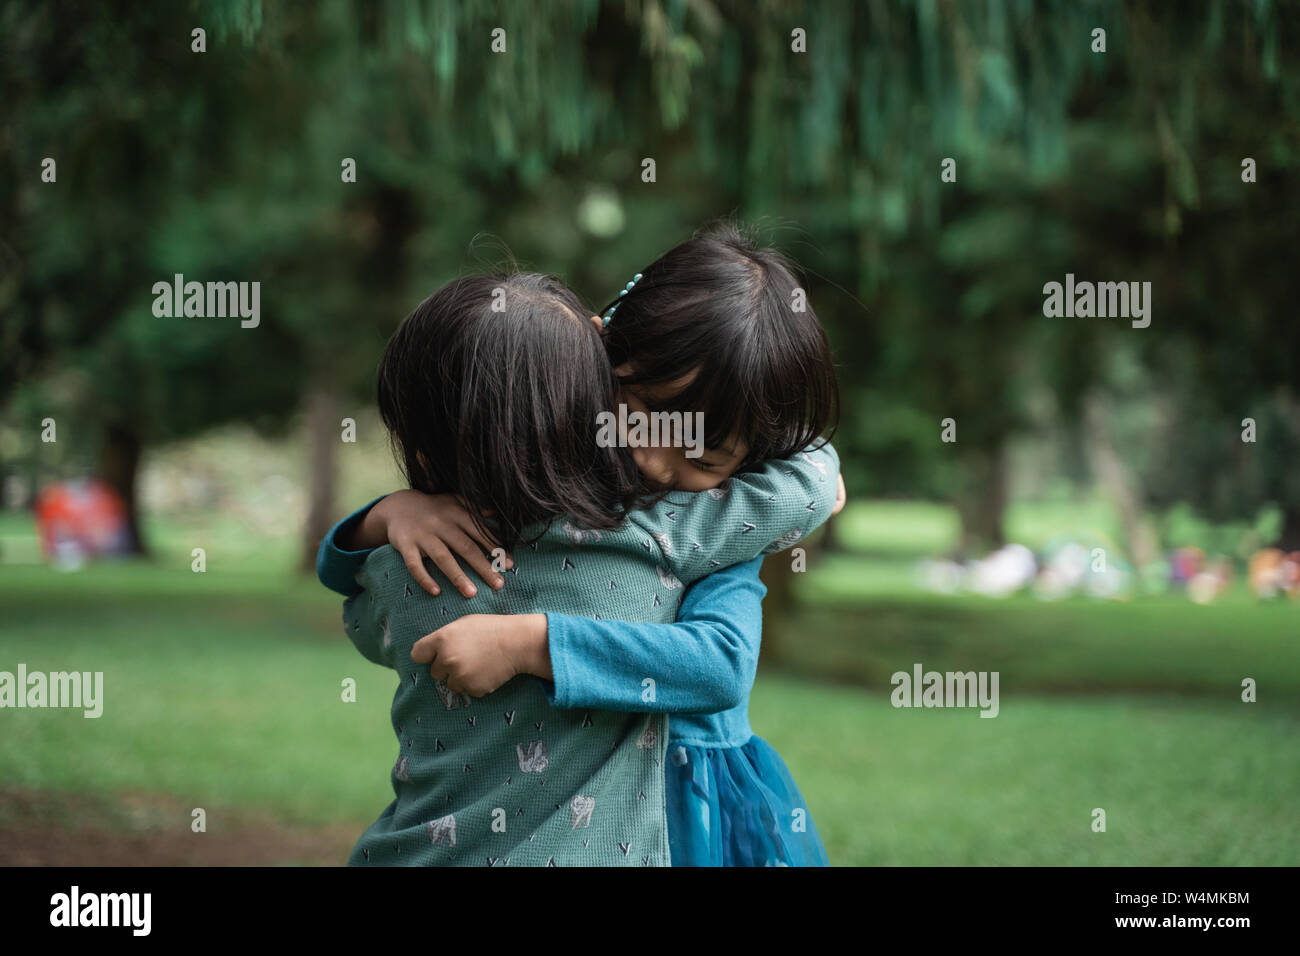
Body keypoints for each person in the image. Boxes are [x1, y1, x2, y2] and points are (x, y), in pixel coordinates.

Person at [322, 225, 843, 865]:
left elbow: (357, 606)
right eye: (641, 415)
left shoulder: (418, 564)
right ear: (595, 351)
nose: (655, 464)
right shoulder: (685, 526)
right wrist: (814, 472)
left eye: (701, 458)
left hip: (688, 801)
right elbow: (808, 491)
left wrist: (381, 523)